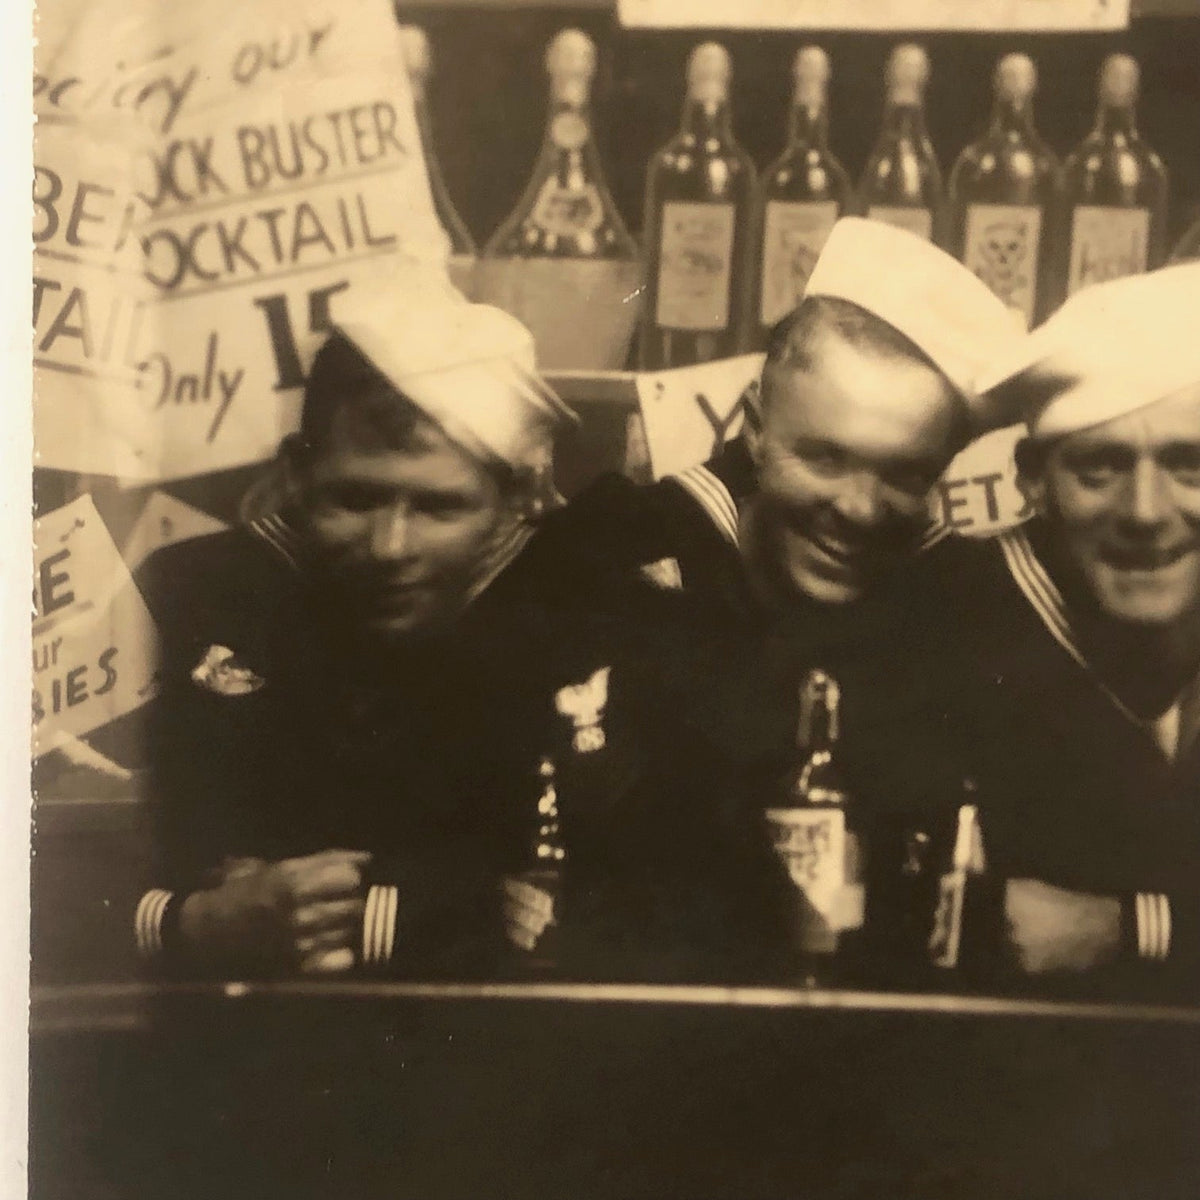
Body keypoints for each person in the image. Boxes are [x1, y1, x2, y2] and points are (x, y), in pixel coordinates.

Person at [132, 288, 793, 983]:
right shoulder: (188, 599)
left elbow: (685, 904)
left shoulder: (623, 629)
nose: (389, 546)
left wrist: (376, 917)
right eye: (354, 498)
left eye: (438, 507)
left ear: (519, 499)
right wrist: (193, 925)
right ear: (296, 475)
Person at [921, 262, 1200, 987]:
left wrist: (1128, 928)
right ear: (1032, 479)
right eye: (1100, 468)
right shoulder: (934, 615)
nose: (1145, 511)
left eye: (1190, 466)